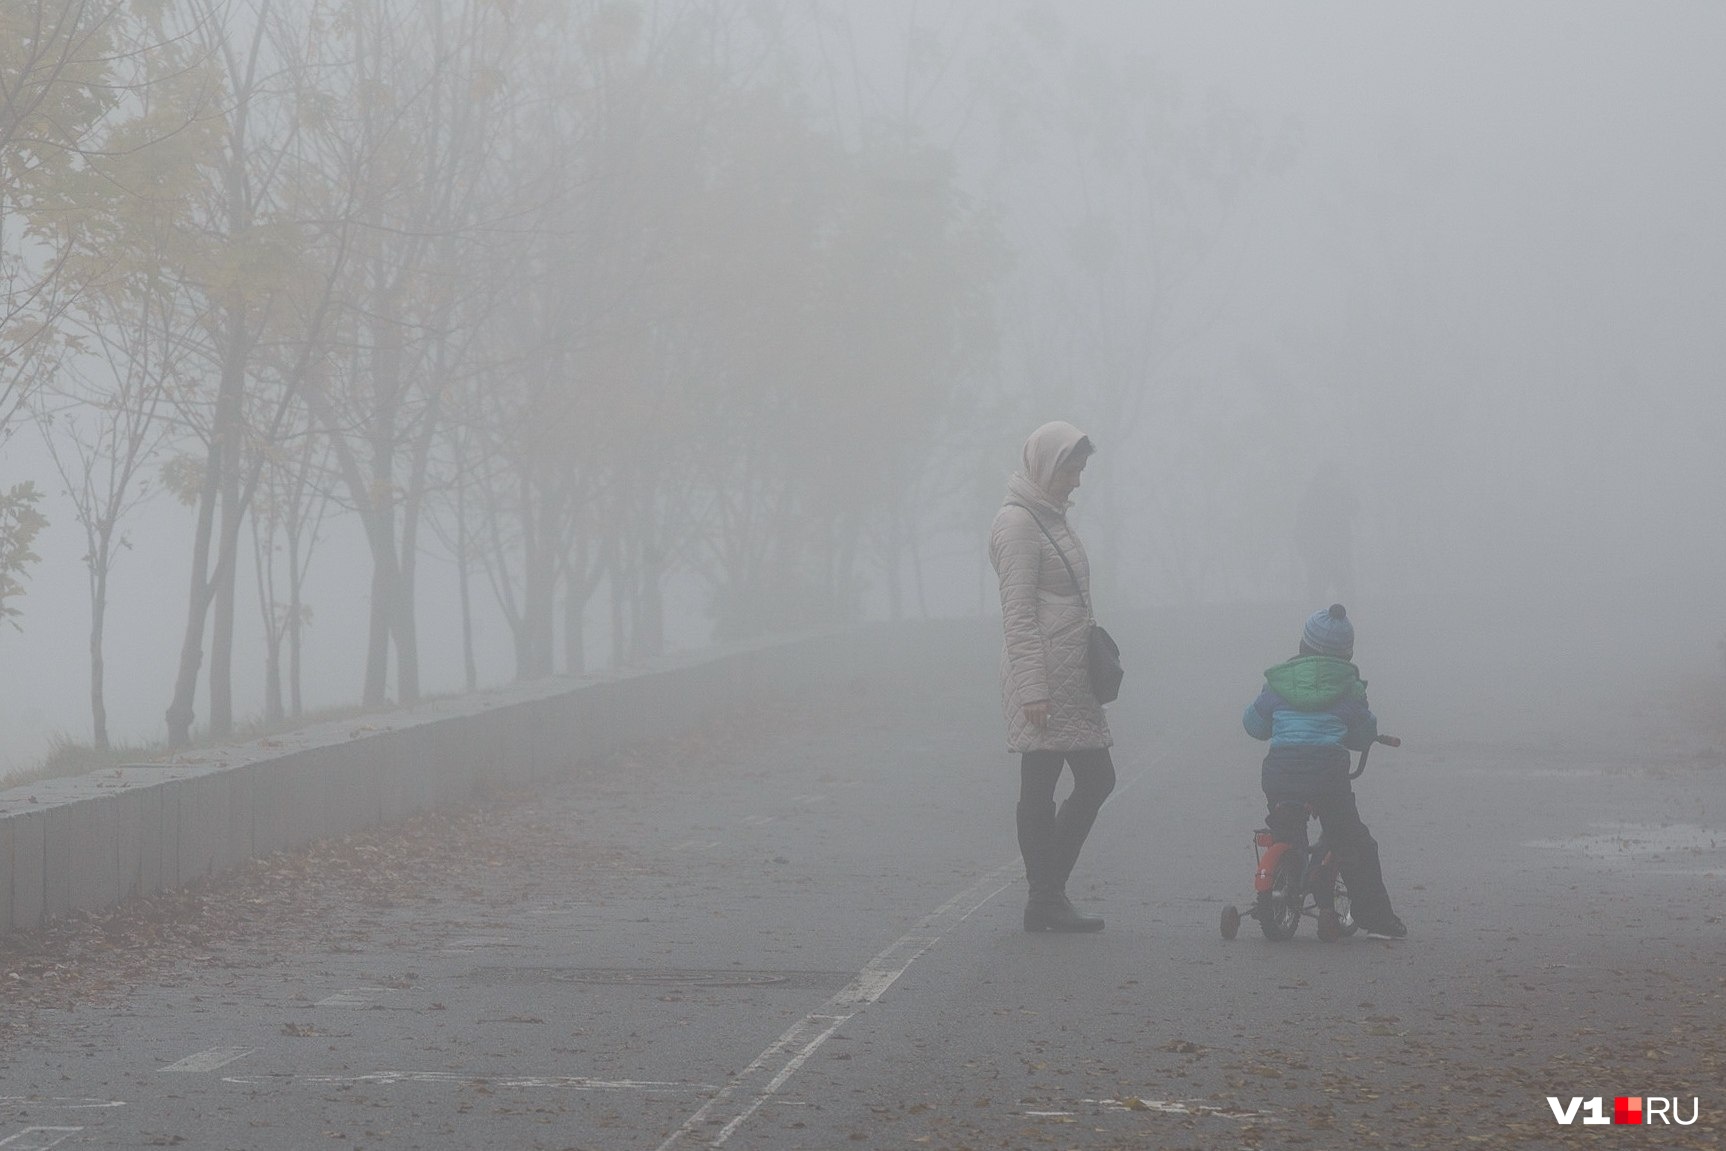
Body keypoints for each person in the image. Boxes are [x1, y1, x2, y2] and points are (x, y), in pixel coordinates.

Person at [990, 421, 1115, 933]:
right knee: (1047, 782)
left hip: (1069, 672)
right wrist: (1033, 689)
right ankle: (1045, 895)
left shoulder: (1051, 518)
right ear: (1046, 465)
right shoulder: (1018, 524)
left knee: (1085, 779)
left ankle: (1046, 895)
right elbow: (1017, 614)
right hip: (1043, 675)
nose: (1078, 481)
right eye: (1071, 469)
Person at [1242, 604, 1406, 939]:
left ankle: (1287, 876)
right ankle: (1377, 920)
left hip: (1280, 774)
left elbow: (1254, 725)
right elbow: (1361, 735)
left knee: (1286, 827)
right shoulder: (1349, 688)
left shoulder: (1277, 682)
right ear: (1347, 653)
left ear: (1303, 644)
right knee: (1354, 841)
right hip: (1327, 776)